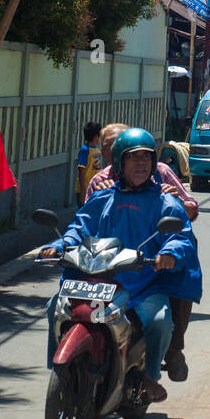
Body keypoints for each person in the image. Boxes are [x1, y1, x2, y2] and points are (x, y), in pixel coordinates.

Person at [40, 129, 197, 403]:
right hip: (98, 281)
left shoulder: (165, 201)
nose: (140, 164)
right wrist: (60, 245)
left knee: (160, 321)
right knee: (55, 306)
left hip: (142, 285)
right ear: (119, 164)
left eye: (146, 158)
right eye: (133, 158)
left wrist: (169, 252)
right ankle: (59, 369)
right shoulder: (102, 197)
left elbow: (180, 235)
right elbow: (79, 227)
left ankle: (150, 376)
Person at [85, 122, 199, 381]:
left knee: (180, 276)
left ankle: (173, 349)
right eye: (117, 148)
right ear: (109, 154)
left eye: (143, 154)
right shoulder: (99, 184)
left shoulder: (162, 174)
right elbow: (86, 227)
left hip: (151, 260)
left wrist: (178, 204)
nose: (139, 162)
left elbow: (190, 213)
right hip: (110, 264)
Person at [76, 120, 102, 198]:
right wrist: (83, 192)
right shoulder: (85, 150)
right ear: (95, 136)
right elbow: (81, 171)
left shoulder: (97, 150)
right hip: (86, 190)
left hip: (95, 189)